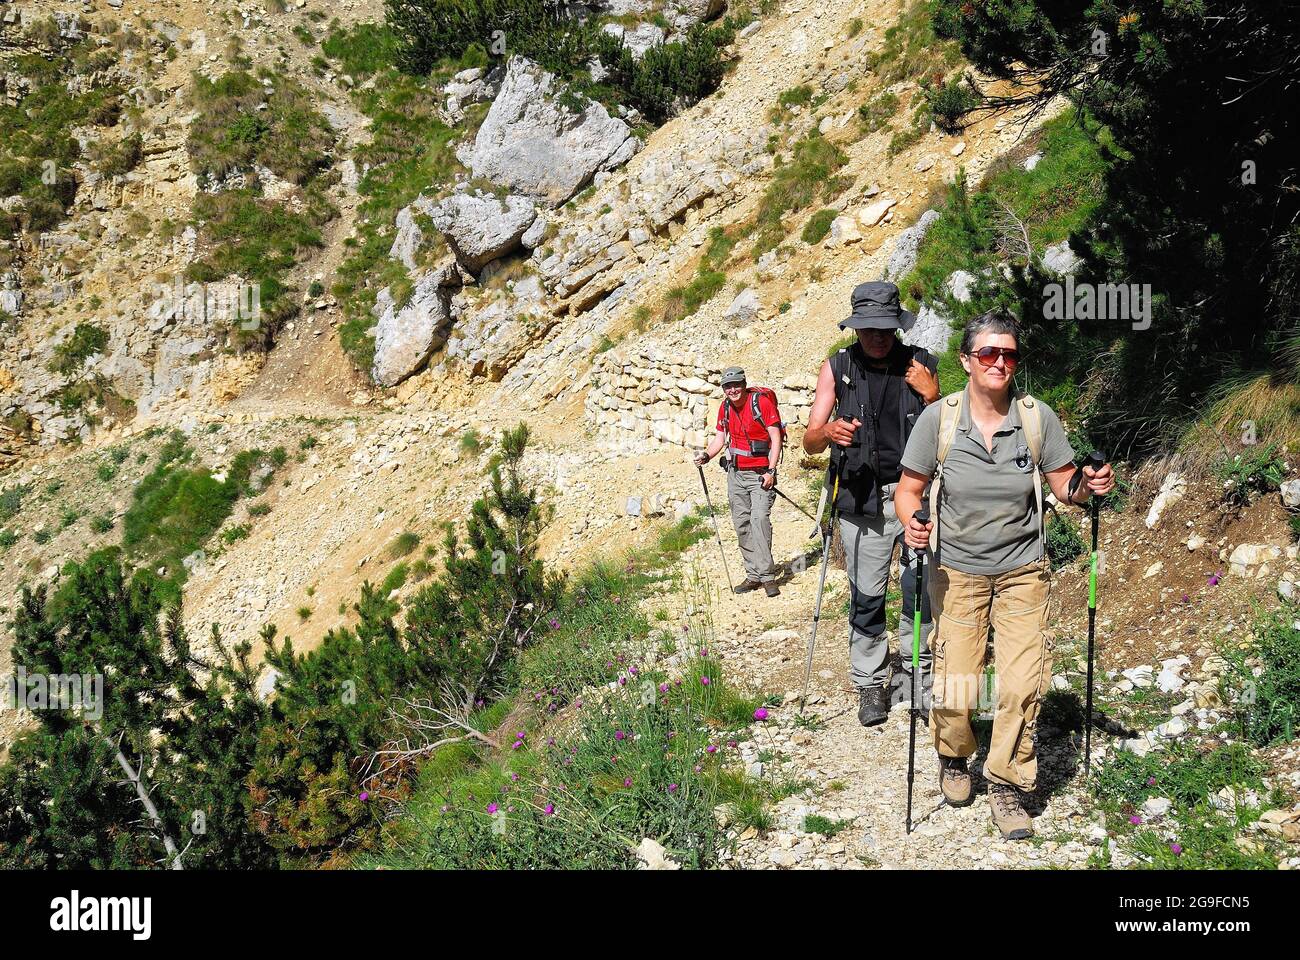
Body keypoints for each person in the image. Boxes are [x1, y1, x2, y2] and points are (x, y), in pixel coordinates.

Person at [895, 309, 1114, 840]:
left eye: (1008, 354)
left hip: (1023, 571)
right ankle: (954, 754)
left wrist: (1089, 488)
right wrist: (912, 525)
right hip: (956, 571)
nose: (999, 362)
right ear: (968, 360)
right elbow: (909, 490)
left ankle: (1007, 780)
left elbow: (1066, 488)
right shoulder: (939, 421)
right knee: (955, 685)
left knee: (1021, 682)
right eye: (988, 353)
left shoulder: (1037, 419)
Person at [802, 281, 941, 728]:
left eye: (885, 328)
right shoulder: (838, 367)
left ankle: (918, 678)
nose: (878, 337)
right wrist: (829, 433)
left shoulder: (921, 364)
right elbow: (808, 439)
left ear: (897, 325)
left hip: (917, 494)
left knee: (920, 590)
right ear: (856, 327)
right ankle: (870, 683)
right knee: (866, 596)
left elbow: (952, 430)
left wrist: (933, 396)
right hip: (861, 500)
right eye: (869, 329)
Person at [695, 367, 784, 597]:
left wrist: (771, 471)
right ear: (724, 389)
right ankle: (753, 574)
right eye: (728, 386)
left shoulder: (761, 403)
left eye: (736, 385)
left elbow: (776, 438)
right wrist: (706, 455)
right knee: (742, 523)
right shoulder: (724, 407)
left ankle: (767, 576)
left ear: (744, 385)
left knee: (759, 520)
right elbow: (720, 439)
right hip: (735, 474)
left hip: (760, 474)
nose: (732, 390)